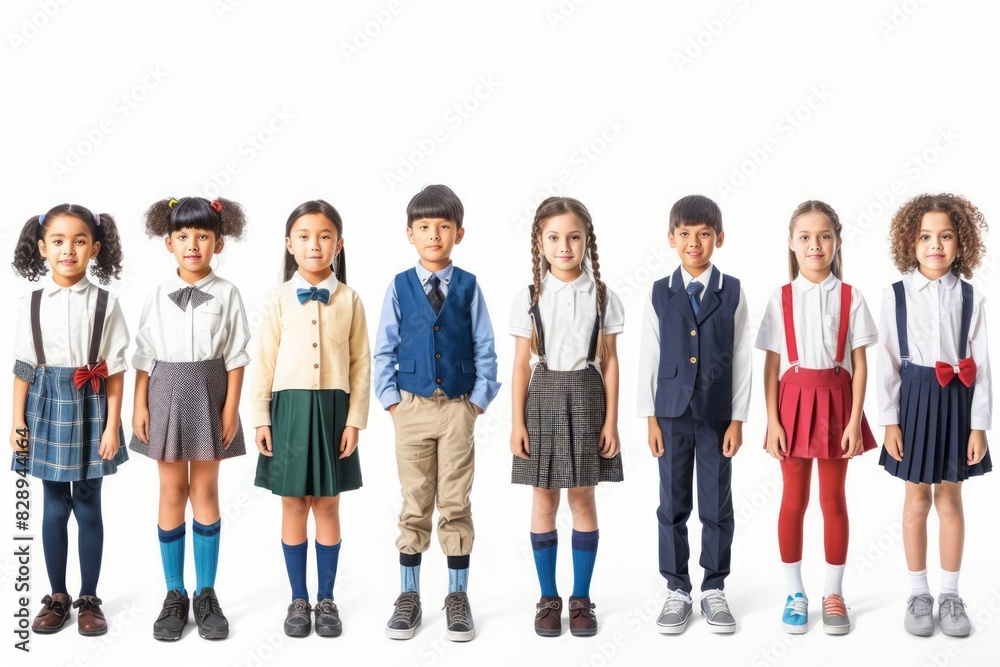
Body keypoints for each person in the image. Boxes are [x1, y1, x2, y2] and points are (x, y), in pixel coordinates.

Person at [374, 184, 499, 642]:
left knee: (455, 500)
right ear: (410, 233)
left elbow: (485, 344)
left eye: (443, 227)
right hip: (410, 407)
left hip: (458, 410)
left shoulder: (468, 286)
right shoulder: (399, 286)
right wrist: (390, 400)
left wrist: (480, 398)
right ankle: (408, 596)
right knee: (415, 501)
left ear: (458, 234)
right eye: (424, 227)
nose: (434, 235)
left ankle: (457, 595)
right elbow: (384, 346)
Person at [130, 196, 250, 641]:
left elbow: (236, 355)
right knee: (171, 489)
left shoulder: (228, 293)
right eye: (183, 236)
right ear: (169, 243)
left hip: (210, 393)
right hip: (165, 393)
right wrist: (138, 405)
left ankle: (206, 592)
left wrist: (231, 408)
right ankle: (174, 594)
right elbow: (143, 355)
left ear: (217, 242)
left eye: (202, 236)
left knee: (204, 488)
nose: (193, 244)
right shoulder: (157, 294)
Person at [755, 200, 878, 635]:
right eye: (805, 237)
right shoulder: (780, 297)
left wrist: (853, 420)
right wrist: (772, 421)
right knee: (793, 500)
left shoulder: (851, 296)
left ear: (838, 241)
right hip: (791, 406)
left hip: (836, 404)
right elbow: (770, 366)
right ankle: (794, 593)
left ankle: (833, 593)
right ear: (791, 242)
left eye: (824, 236)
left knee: (834, 501)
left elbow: (861, 364)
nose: (815, 245)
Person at [9, 204, 129, 636]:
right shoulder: (32, 304)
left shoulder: (106, 303)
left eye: (79, 241)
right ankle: (57, 595)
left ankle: (89, 597)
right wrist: (16, 421)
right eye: (58, 241)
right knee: (54, 503)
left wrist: (113, 425)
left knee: (89, 504)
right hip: (45, 403)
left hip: (91, 404)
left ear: (94, 248)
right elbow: (24, 366)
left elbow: (115, 370)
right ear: (42, 248)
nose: (68, 250)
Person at [253, 200, 370, 638]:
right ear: (289, 244)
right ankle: (297, 598)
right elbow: (263, 361)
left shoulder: (351, 298)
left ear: (339, 244)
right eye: (304, 236)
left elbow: (361, 363)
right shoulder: (278, 299)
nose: (314, 244)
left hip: (334, 411)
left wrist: (355, 420)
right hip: (289, 410)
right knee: (292, 503)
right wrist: (261, 418)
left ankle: (327, 598)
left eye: (324, 236)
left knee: (328, 502)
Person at [876, 193, 991, 638]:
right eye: (925, 237)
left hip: (958, 403)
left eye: (945, 236)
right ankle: (918, 592)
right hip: (916, 402)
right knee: (915, 500)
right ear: (911, 242)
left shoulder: (970, 297)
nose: (935, 245)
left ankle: (950, 594)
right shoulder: (896, 295)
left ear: (960, 244)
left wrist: (979, 425)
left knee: (949, 499)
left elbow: (982, 364)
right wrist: (890, 421)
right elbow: (886, 361)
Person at [509, 196, 624, 638]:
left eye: (574, 237)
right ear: (540, 242)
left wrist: (611, 421)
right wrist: (517, 422)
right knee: (543, 498)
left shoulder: (601, 296)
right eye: (554, 237)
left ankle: (580, 597)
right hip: (543, 396)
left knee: (582, 498)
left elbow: (610, 361)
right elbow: (521, 364)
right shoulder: (529, 297)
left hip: (587, 393)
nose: (564, 246)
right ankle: (547, 598)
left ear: (586, 241)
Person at [637, 195, 751, 635]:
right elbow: (649, 353)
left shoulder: (733, 291)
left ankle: (714, 587)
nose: (694, 242)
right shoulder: (660, 293)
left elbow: (741, 357)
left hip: (717, 414)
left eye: (704, 234)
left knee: (716, 503)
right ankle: (677, 589)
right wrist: (649, 415)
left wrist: (738, 418)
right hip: (669, 414)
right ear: (671, 238)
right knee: (672, 502)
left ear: (718, 238)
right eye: (685, 233)